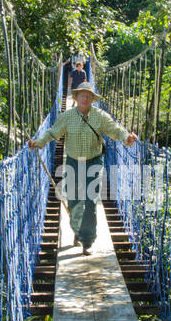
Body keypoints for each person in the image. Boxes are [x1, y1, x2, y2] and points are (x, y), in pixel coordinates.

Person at [28, 74, 137, 255]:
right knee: (75, 202)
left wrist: (127, 137)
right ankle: (78, 232)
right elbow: (52, 132)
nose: (85, 98)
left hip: (94, 162)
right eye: (81, 95)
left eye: (88, 96)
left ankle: (87, 240)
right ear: (76, 97)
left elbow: (114, 129)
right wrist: (38, 143)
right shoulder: (67, 116)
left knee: (90, 202)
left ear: (92, 99)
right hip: (72, 163)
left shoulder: (100, 116)